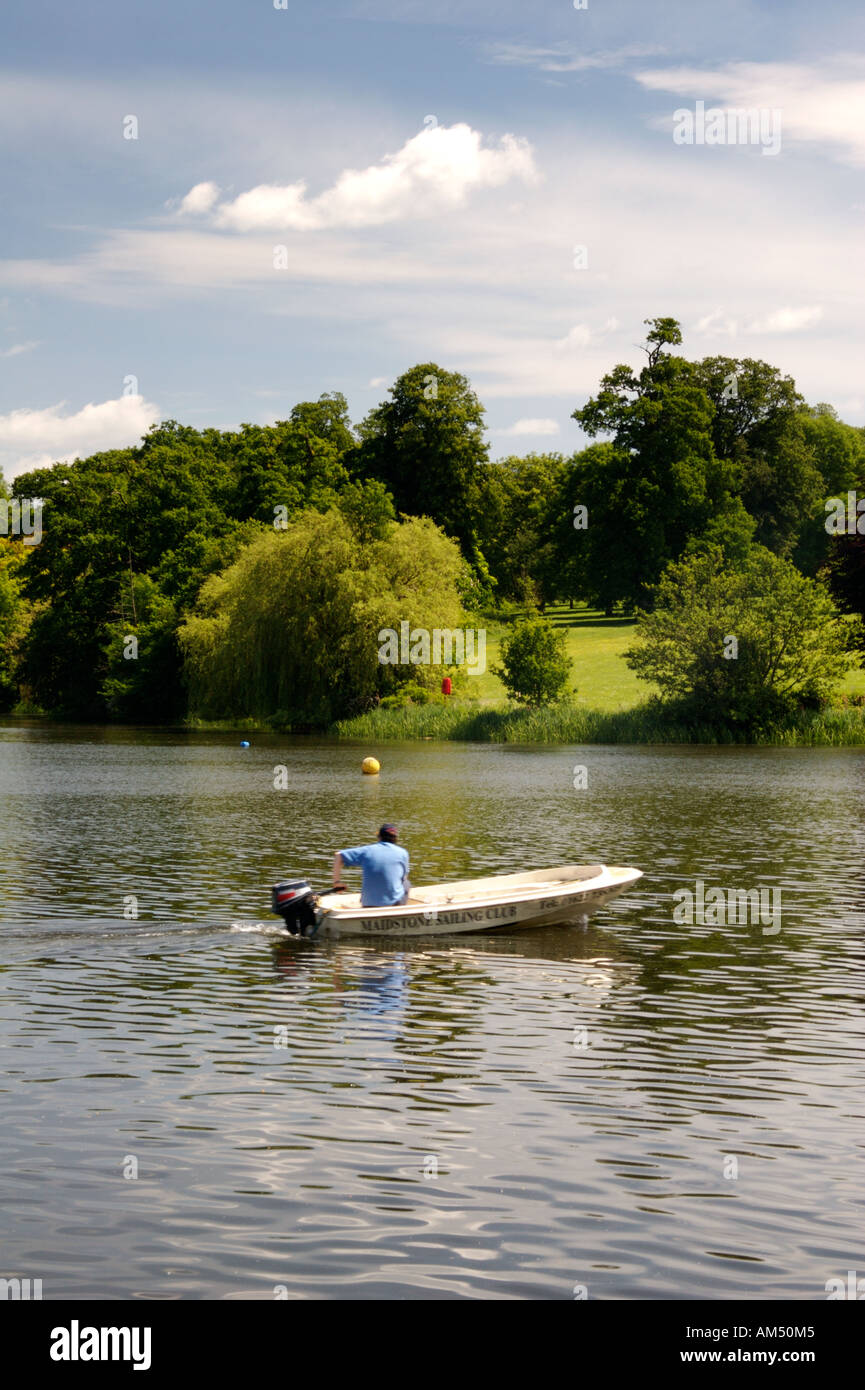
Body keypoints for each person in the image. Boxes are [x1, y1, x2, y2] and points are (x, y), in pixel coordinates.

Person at [332, 824, 410, 907]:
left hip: (368, 904)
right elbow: (404, 878)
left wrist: (337, 882)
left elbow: (338, 855)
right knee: (406, 882)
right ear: (395, 838)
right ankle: (400, 908)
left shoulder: (367, 851)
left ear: (379, 837)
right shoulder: (403, 853)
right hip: (392, 904)